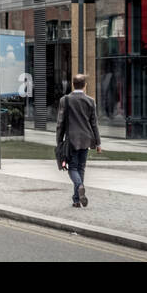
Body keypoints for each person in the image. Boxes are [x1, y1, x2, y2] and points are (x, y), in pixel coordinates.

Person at [56, 73, 101, 207]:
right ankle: (76, 200)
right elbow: (94, 124)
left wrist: (59, 141)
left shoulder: (65, 100)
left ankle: (79, 185)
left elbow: (60, 123)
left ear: (72, 84)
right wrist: (98, 143)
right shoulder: (91, 101)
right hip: (87, 139)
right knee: (81, 168)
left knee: (72, 168)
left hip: (72, 141)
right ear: (85, 85)